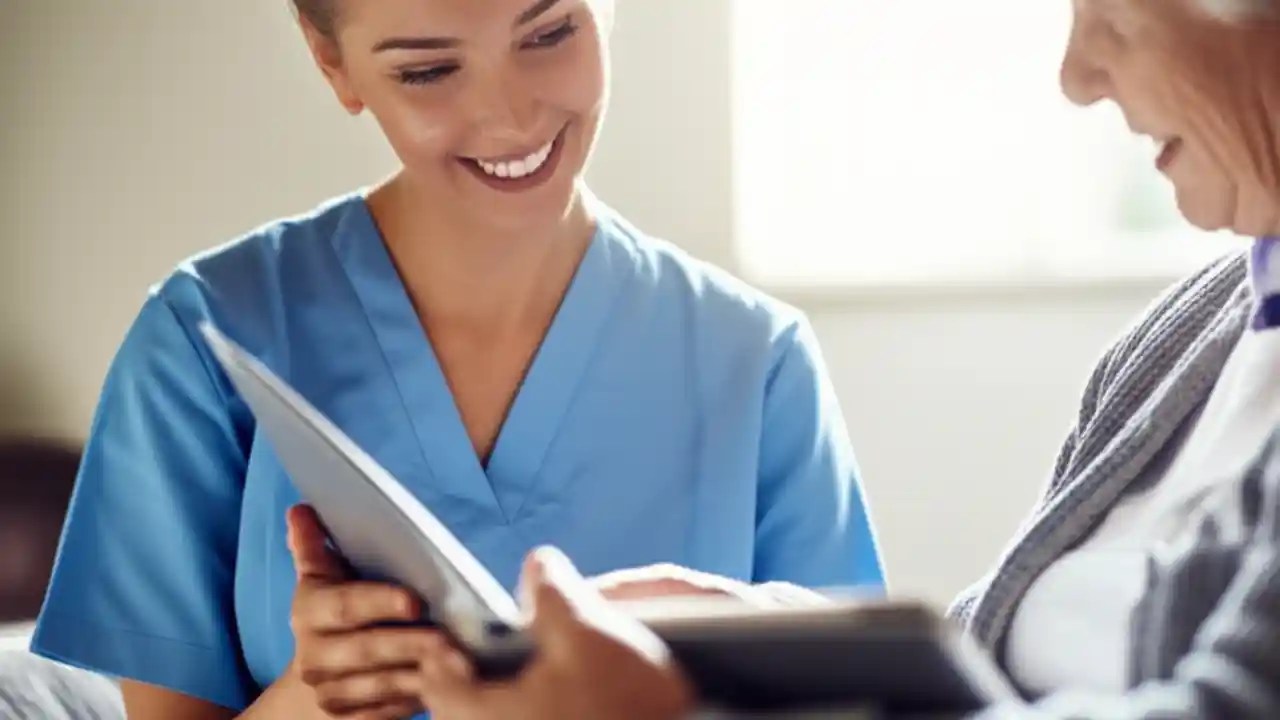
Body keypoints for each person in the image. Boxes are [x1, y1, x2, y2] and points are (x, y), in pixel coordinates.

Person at [411, 0, 1280, 717]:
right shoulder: (1186, 335)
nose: (1076, 75)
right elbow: (991, 674)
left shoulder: (745, 345)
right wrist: (770, 636)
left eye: (1116, 16)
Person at [28, 0, 885, 717]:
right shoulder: (203, 340)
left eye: (549, 34)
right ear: (331, 62)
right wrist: (322, 693)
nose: (511, 117)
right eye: (430, 71)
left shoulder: (755, 361)